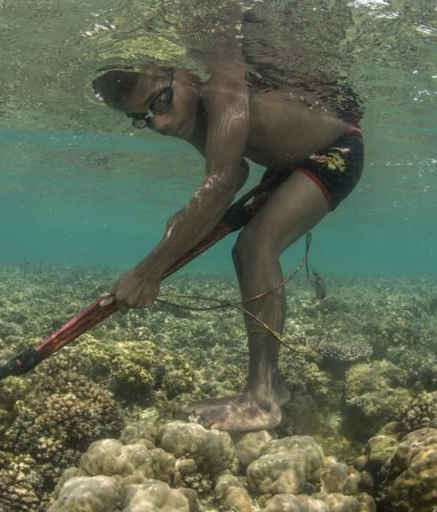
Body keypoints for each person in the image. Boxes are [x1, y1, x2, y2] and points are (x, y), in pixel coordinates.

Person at [91, 40, 363, 432]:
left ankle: (263, 397)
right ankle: (273, 387)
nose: (160, 124)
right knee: (238, 245)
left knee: (255, 247)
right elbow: (232, 174)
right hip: (287, 163)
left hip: (337, 149)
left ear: (182, 74)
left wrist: (149, 272)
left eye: (162, 101)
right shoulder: (186, 107)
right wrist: (179, 228)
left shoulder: (222, 89)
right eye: (143, 118)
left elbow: (219, 185)